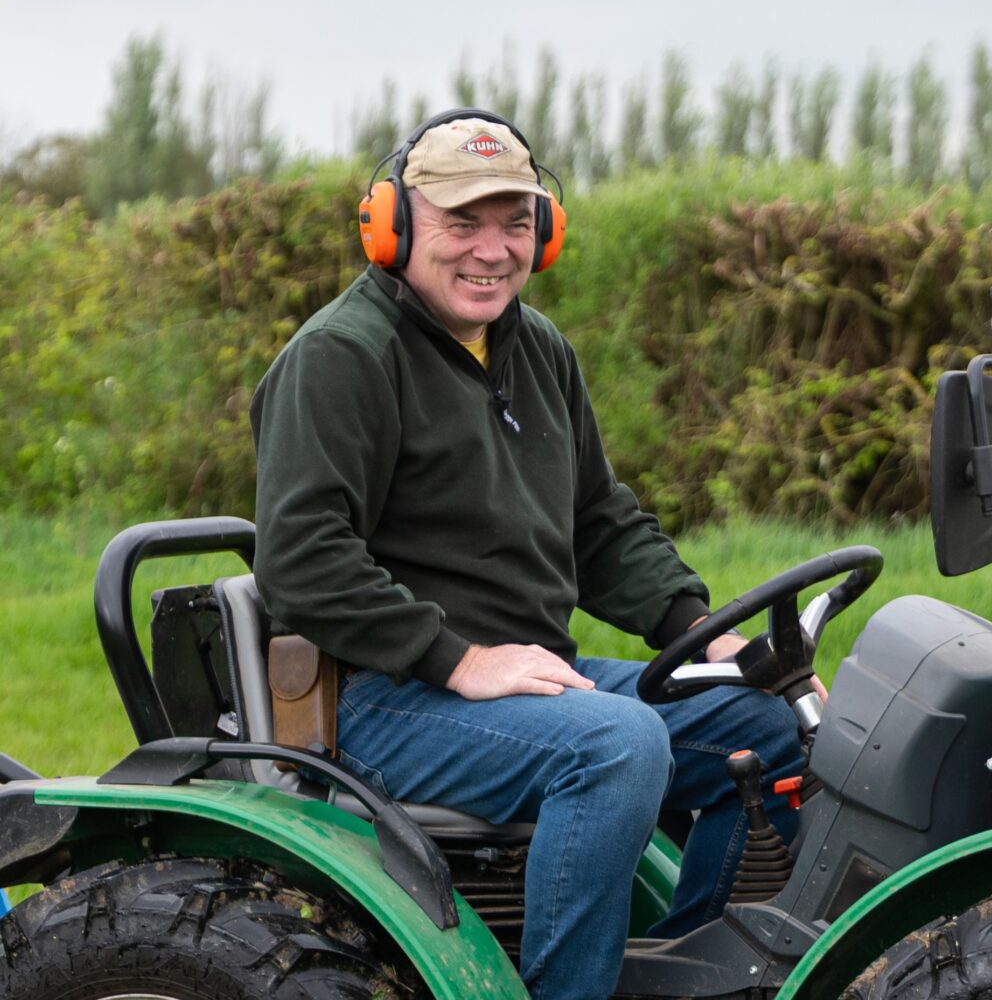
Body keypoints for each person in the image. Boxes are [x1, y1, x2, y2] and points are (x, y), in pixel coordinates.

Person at [250, 109, 802, 1000]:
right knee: (616, 746)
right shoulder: (342, 358)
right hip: (387, 699)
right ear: (392, 226)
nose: (491, 250)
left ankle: (685, 976)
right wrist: (458, 660)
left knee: (765, 727)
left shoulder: (537, 349)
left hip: (532, 678)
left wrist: (705, 635)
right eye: (460, 223)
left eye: (514, 222)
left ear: (544, 234)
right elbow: (301, 557)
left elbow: (600, 523)